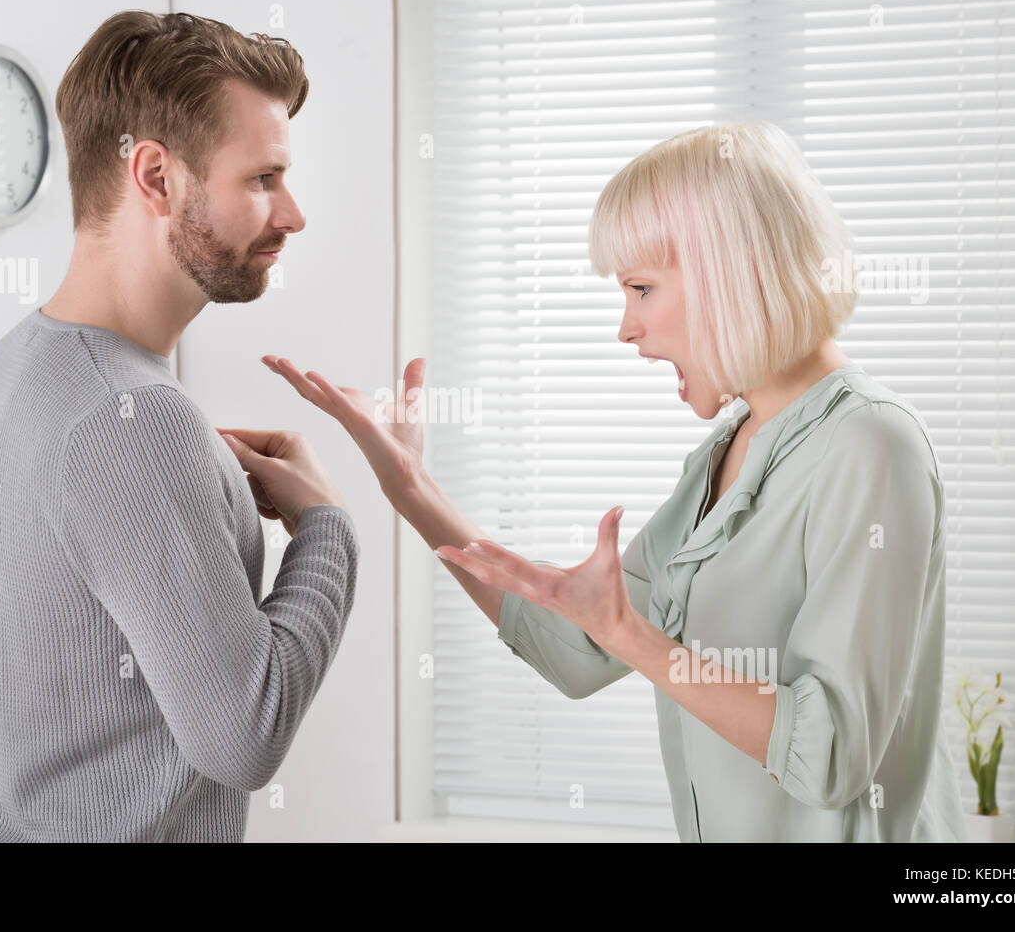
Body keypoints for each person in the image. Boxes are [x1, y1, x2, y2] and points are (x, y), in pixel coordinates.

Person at [242, 121, 969, 842]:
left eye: (642, 288)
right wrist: (409, 487)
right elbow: (572, 649)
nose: (628, 327)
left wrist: (632, 634)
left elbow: (832, 753)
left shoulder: (872, 444)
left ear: (731, 270)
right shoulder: (726, 452)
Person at [0, 11, 357, 842]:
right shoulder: (135, 421)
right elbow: (246, 733)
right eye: (263, 179)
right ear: (158, 177)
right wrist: (327, 528)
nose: (294, 214)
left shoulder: (10, 369)